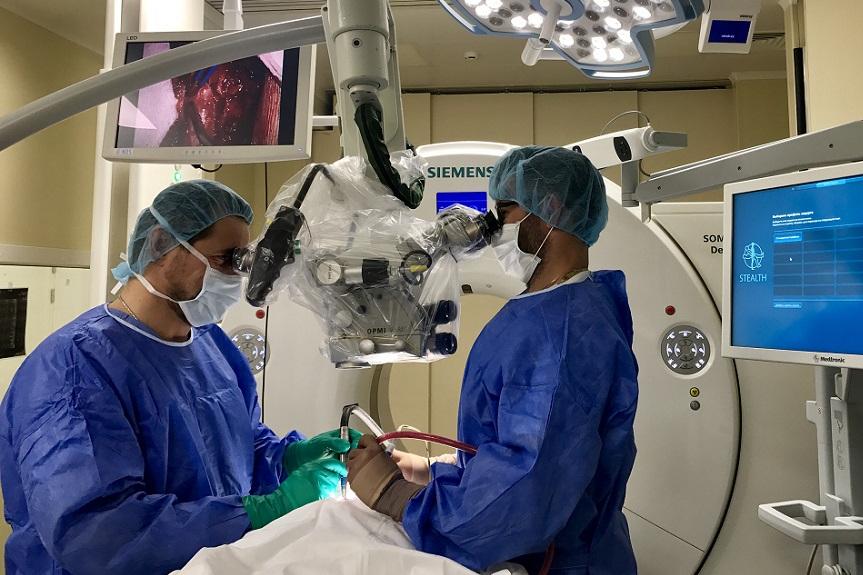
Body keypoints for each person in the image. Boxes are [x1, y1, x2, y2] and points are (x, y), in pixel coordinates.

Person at [0, 180, 357, 575]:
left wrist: (287, 460)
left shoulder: (212, 345)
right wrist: (265, 511)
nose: (235, 277)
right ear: (160, 245)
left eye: (242, 262)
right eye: (225, 259)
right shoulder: (75, 368)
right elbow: (98, 534)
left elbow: (240, 448)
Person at [348, 146, 639, 575]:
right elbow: (520, 446)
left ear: (552, 209)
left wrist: (394, 495)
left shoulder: (558, 336)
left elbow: (526, 489)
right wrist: (431, 472)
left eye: (504, 211)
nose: (493, 227)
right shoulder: (553, 309)